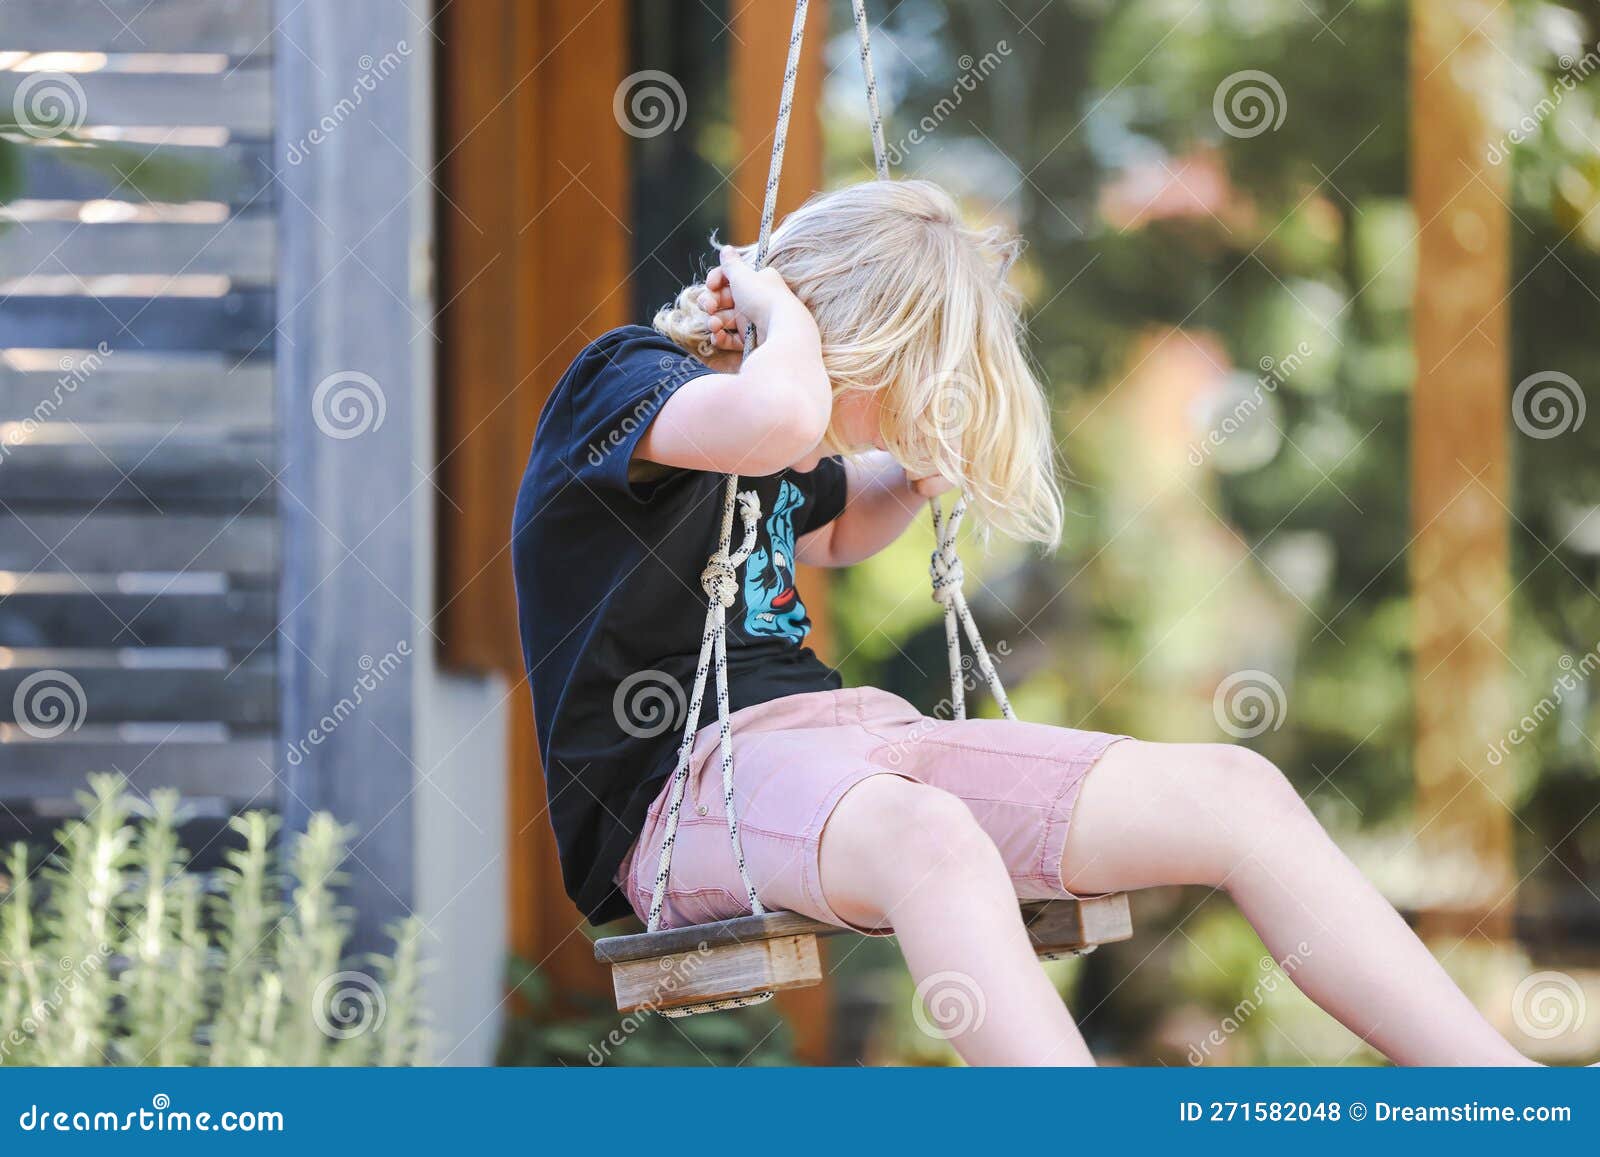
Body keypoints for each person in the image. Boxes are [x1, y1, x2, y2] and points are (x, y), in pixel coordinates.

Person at [511, 180, 1535, 1066]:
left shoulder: (781, 432)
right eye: (901, 368)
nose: (897, 402)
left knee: (1237, 791)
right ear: (827, 332)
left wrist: (908, 483)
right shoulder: (630, 382)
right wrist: (775, 308)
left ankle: (1504, 1097)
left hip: (846, 743)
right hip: (683, 793)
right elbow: (776, 421)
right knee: (929, 834)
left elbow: (834, 523)